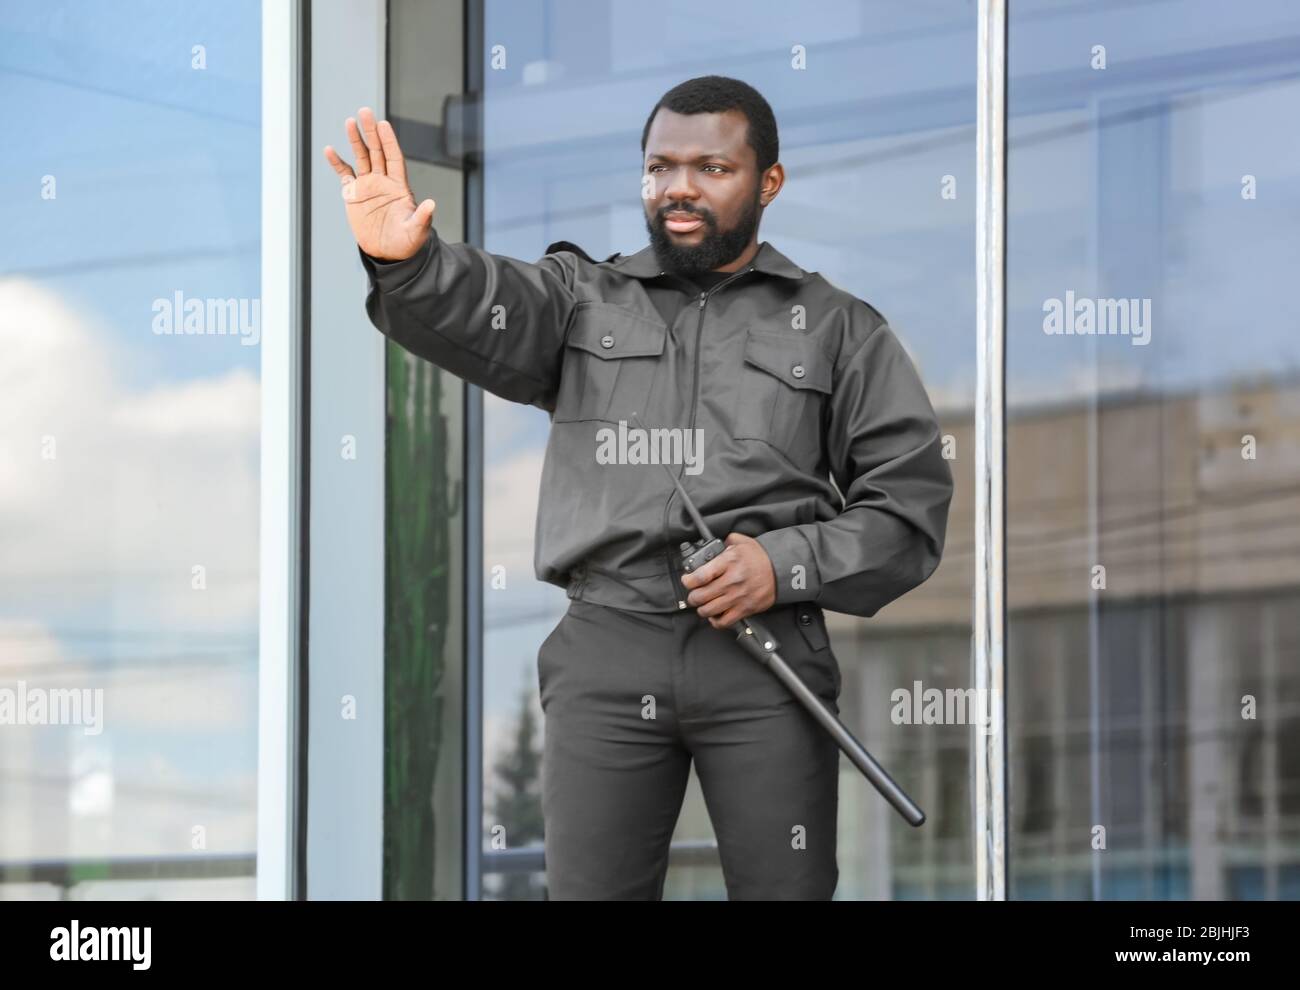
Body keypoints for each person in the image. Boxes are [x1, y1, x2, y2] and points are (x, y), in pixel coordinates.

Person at [324, 75, 954, 900]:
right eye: (660, 167)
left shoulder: (838, 327)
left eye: (711, 168)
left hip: (766, 656)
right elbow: (486, 302)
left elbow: (908, 510)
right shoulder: (580, 298)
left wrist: (782, 563)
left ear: (769, 182)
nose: (680, 187)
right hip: (607, 648)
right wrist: (407, 261)